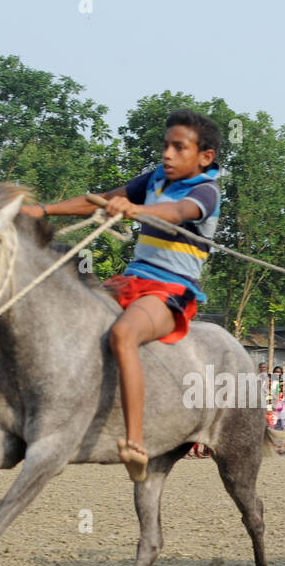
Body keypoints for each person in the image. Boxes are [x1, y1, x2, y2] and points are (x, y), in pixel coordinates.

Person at [20, 108, 222, 482]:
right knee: (58, 311)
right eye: (166, 146)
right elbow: (95, 201)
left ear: (205, 157)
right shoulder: (155, 179)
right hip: (132, 281)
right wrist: (41, 210)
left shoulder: (205, 191)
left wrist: (135, 209)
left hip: (170, 291)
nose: (167, 154)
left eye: (179, 148)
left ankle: (134, 444)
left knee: (123, 335)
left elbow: (177, 212)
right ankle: (15, 410)